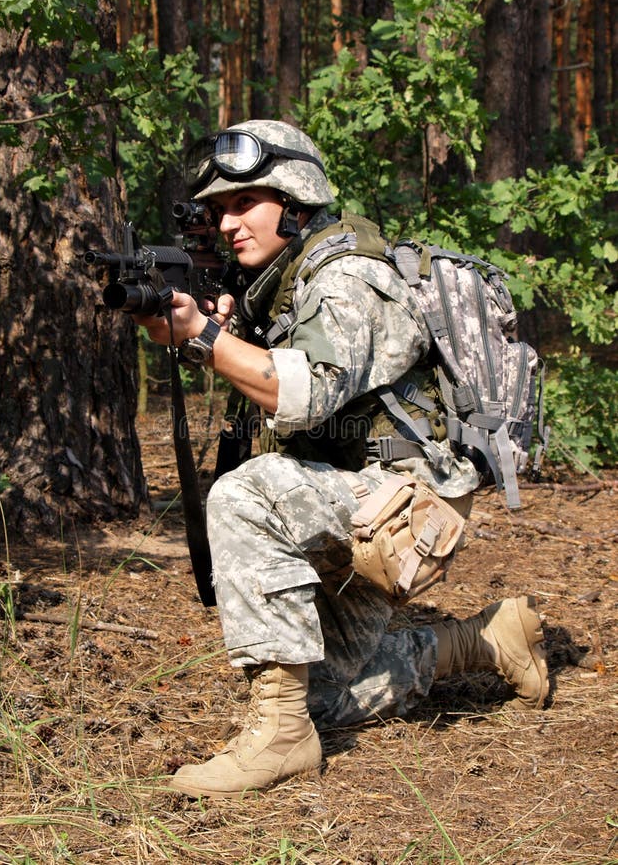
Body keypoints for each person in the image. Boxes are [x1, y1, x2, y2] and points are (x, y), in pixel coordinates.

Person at [135, 120, 549, 800]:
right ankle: (484, 640)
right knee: (323, 697)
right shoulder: (282, 282)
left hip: (405, 500)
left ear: (295, 201)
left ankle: (278, 741)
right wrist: (189, 329)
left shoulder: (347, 277)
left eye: (245, 204)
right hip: (365, 491)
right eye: (218, 211)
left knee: (246, 494)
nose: (229, 223)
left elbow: (300, 392)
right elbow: (263, 369)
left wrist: (203, 336)